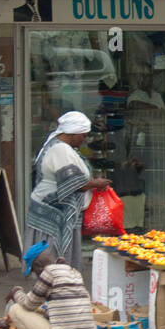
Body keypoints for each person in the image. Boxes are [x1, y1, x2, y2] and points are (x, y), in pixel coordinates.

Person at [27, 110, 110, 273]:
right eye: (83, 135)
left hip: (50, 207)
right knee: (52, 253)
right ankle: (56, 278)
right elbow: (72, 182)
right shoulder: (60, 149)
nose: (85, 139)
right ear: (72, 133)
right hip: (55, 209)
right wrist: (95, 183)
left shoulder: (60, 146)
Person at [5, 244, 98, 329]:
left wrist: (16, 292)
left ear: (38, 266)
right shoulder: (74, 272)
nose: (35, 275)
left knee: (16, 309)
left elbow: (28, 304)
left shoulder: (49, 273)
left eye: (33, 270)